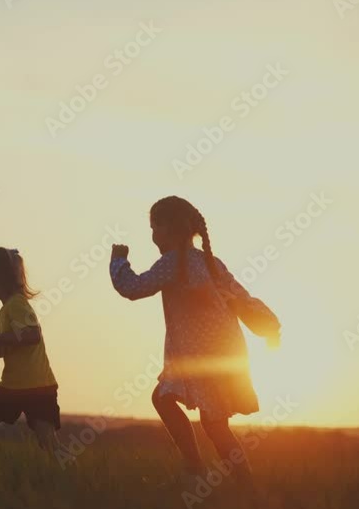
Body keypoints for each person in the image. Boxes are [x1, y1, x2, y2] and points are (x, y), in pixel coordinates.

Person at [109, 196, 281, 489]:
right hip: (226, 352)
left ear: (172, 230)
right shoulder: (210, 262)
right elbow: (241, 298)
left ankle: (197, 466)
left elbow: (133, 288)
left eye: (155, 227)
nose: (152, 235)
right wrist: (269, 325)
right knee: (215, 425)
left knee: (165, 400)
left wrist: (118, 262)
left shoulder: (172, 264)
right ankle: (244, 485)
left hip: (202, 355)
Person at [0, 243, 63, 464]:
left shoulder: (17, 305)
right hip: (12, 386)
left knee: (47, 440)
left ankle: (73, 475)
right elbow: (14, 344)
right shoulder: (7, 308)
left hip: (37, 387)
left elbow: (32, 335)